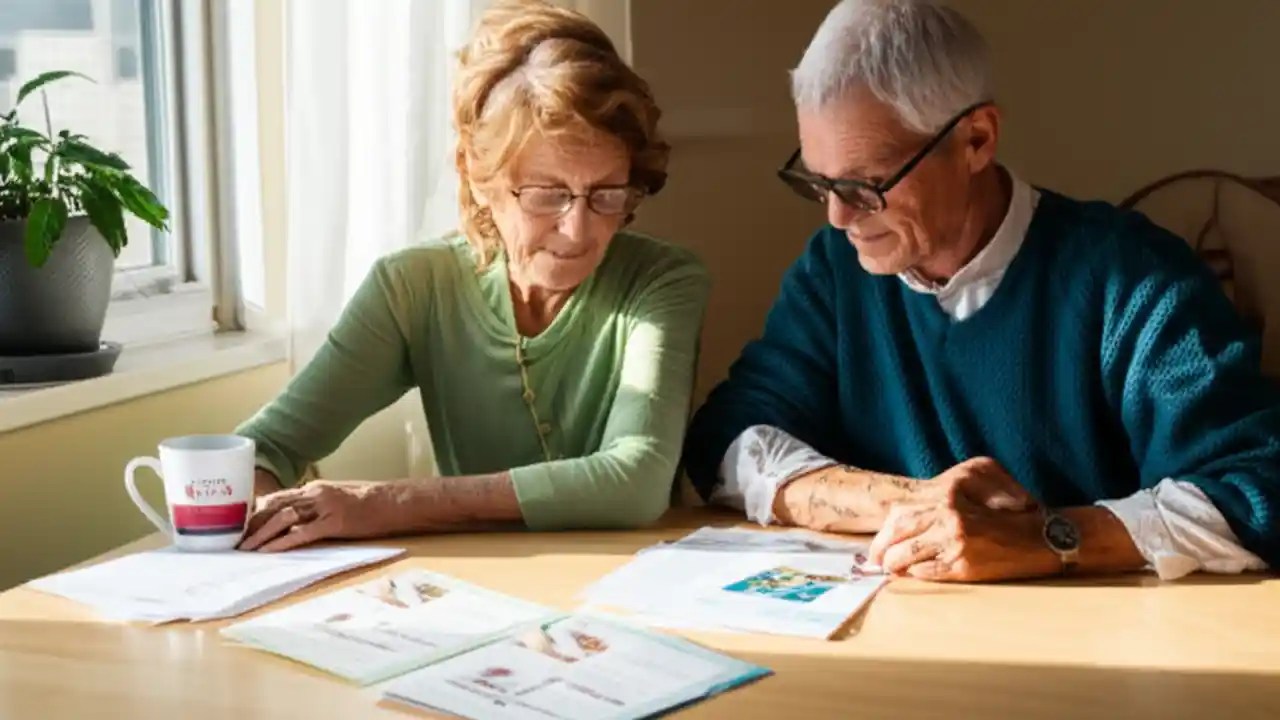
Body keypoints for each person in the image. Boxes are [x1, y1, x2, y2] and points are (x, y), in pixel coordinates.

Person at [683, 0, 1280, 582]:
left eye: (867, 184)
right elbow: (728, 439)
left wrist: (1046, 538)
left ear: (977, 140)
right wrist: (919, 504)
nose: (838, 218)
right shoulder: (835, 271)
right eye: (819, 181)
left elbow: (1255, 484)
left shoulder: (1131, 277)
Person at [235, 0, 709, 552]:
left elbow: (637, 481)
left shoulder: (664, 280)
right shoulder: (411, 288)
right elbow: (260, 447)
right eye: (546, 194)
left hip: (630, 588)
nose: (578, 229)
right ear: (478, 177)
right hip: (469, 596)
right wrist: (271, 523)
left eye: (606, 194)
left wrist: (386, 503)